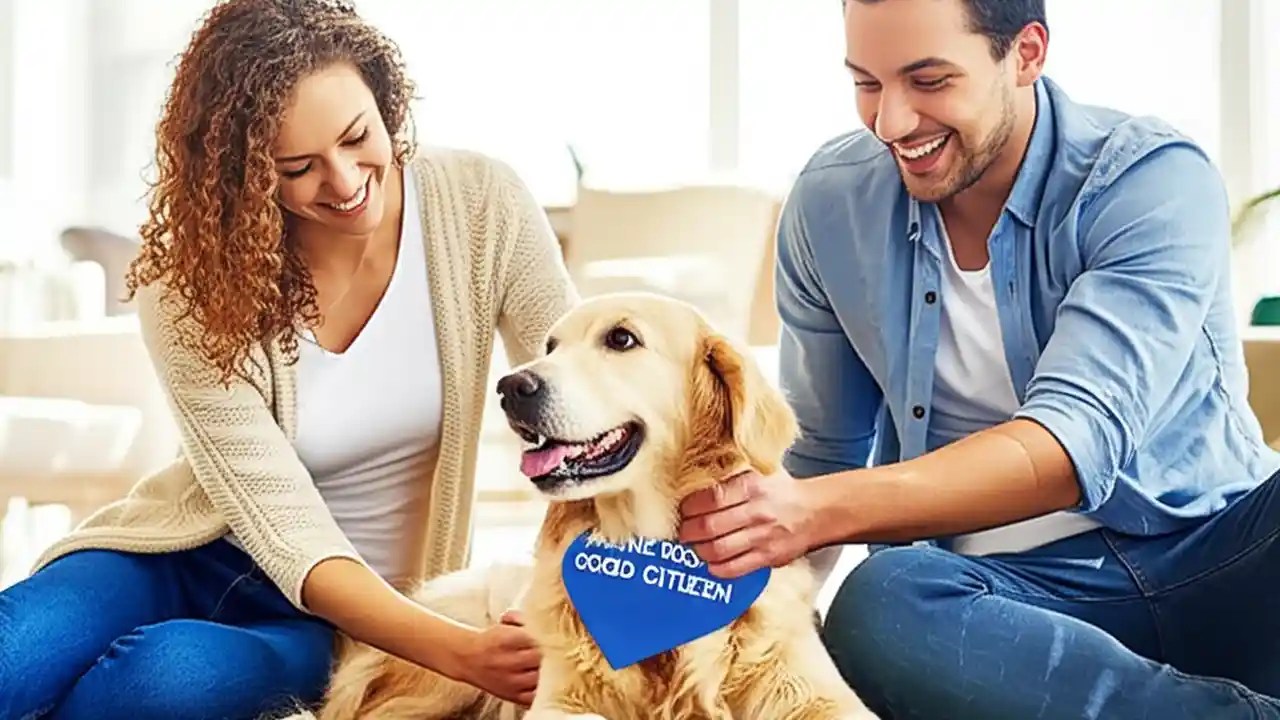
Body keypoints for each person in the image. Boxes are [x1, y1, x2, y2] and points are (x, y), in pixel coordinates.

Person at [676, 0, 1280, 718]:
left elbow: (1069, 446)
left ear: (1026, 53)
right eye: (866, 82)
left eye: (929, 81)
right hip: (1003, 608)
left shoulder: (1148, 180)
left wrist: (810, 511)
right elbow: (816, 456)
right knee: (881, 603)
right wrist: (694, 621)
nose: (890, 122)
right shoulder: (831, 205)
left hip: (1217, 555)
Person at [0, 0, 577, 717]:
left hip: (340, 616)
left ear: (385, 99)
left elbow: (585, 387)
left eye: (357, 136)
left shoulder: (481, 204)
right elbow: (286, 526)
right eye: (298, 167)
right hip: (186, 555)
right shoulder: (189, 281)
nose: (344, 181)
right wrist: (460, 652)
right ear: (243, 174)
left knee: (161, 678)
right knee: (15, 646)